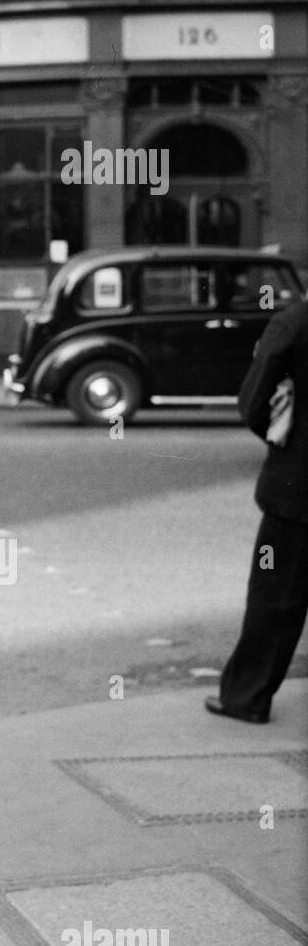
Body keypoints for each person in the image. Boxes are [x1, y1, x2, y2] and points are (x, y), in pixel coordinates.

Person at [206, 294, 308, 725]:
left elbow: (254, 399)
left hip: (297, 487)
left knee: (275, 598)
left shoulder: (295, 321)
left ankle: (247, 695)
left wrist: (278, 431)